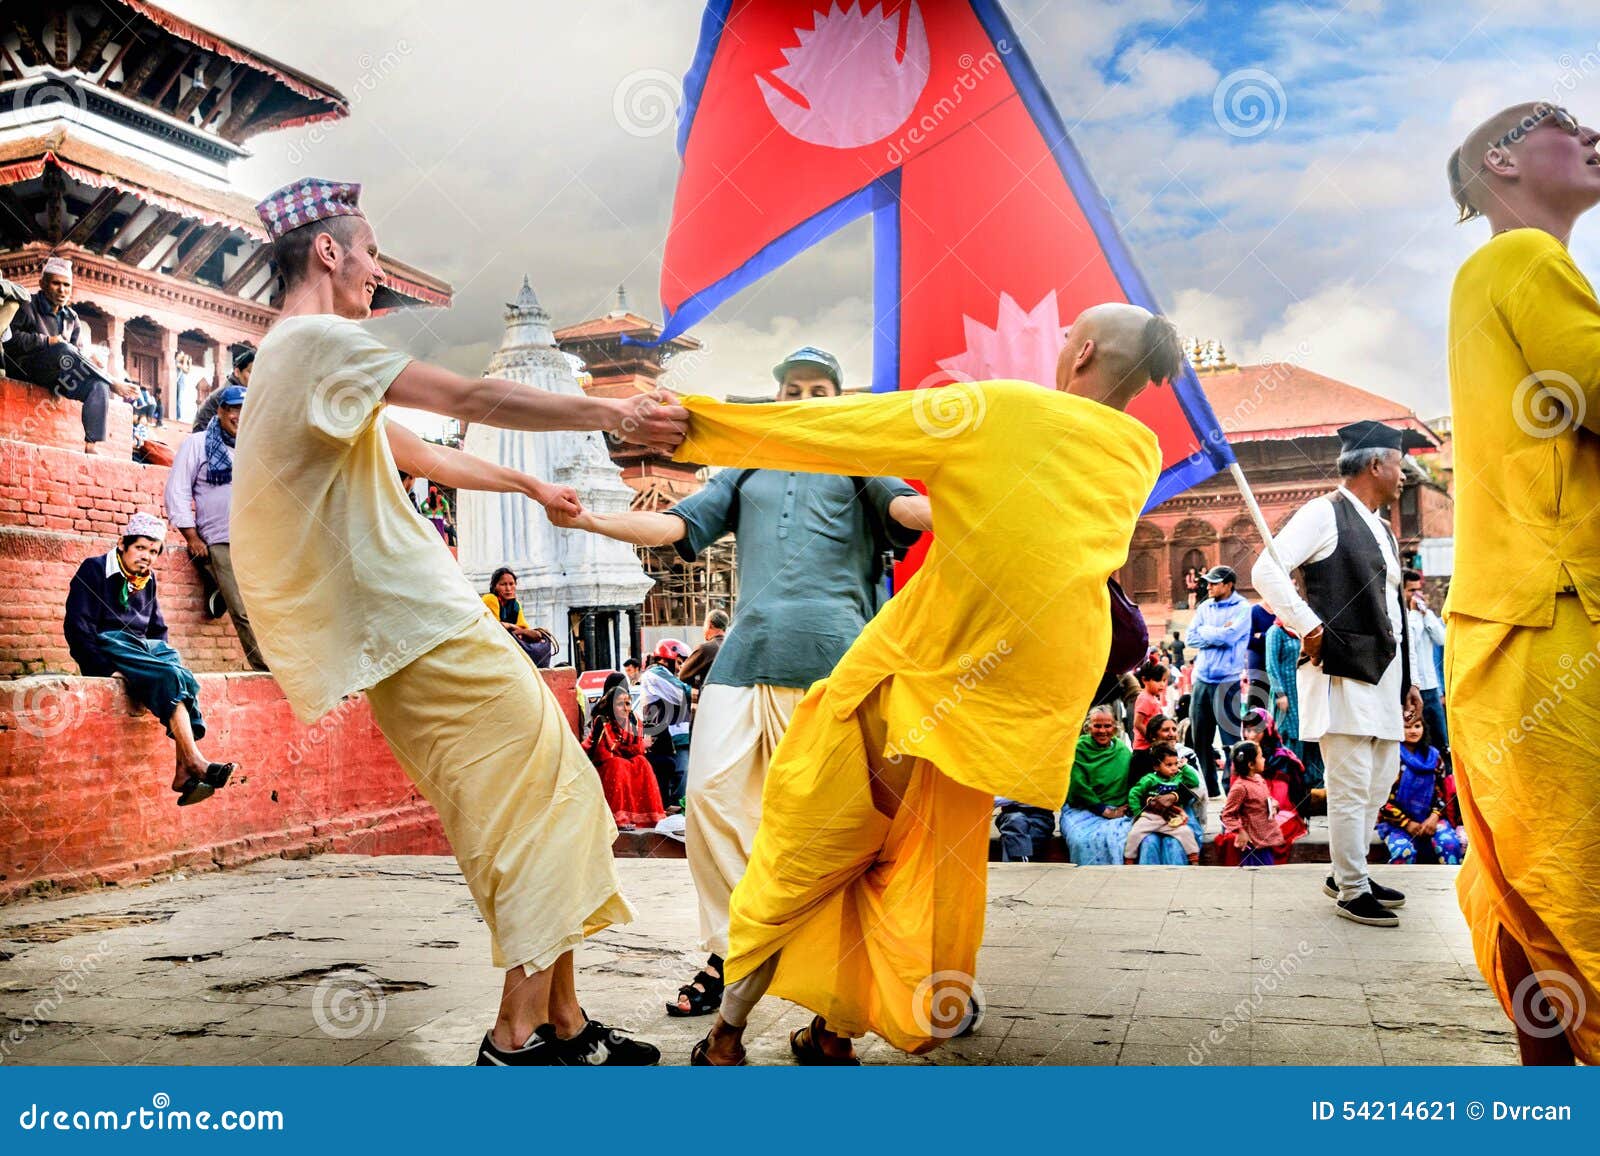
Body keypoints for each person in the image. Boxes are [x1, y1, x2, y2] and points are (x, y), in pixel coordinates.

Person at [620, 301, 1174, 1065]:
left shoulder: (1004, 410)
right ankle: (834, 1030)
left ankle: (727, 1034)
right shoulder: (1137, 453)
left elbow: (847, 429)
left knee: (804, 852)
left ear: (1079, 353)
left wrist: (698, 423)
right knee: (914, 874)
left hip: (905, 685)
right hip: (992, 718)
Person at [230, 177, 687, 1066]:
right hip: (420, 620)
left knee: (537, 798)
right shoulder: (320, 341)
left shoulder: (292, 357)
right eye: (367, 252)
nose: (375, 270)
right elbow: (476, 402)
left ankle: (564, 1022)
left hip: (407, 629)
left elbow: (422, 448)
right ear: (328, 251)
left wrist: (527, 483)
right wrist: (615, 412)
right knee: (549, 804)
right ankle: (516, 1033)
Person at [553, 345, 925, 1021]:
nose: (806, 401)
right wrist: (589, 519)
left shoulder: (859, 461)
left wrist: (983, 502)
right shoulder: (746, 463)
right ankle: (736, 953)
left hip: (836, 668)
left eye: (820, 390)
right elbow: (674, 525)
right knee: (713, 807)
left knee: (826, 827)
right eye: (794, 390)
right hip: (741, 661)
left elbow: (907, 514)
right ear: (776, 399)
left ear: (838, 401)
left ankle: (828, 977)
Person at [1445, 101, 1600, 1065]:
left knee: (1537, 874)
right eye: (1566, 124)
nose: (1591, 137)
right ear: (1502, 161)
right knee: (1576, 868)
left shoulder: (1493, 273)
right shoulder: (1523, 259)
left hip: (1513, 612)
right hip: (1560, 607)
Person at [1251, 421, 1425, 928]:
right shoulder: (1323, 513)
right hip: (1341, 670)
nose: (1402, 476)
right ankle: (1352, 889)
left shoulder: (1384, 529)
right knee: (1349, 783)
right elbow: (1267, 570)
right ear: (1375, 464)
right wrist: (1309, 627)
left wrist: (1409, 678)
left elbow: (1393, 612)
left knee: (1381, 777)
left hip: (1385, 675)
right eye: (1398, 465)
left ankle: (1349, 870)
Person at [63, 513, 235, 806]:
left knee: (180, 674)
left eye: (154, 551)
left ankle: (185, 769)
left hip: (143, 650)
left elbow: (158, 629)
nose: (147, 557)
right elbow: (77, 628)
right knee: (167, 671)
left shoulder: (148, 580)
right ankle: (193, 761)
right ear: (122, 544)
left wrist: (159, 666)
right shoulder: (93, 570)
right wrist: (104, 670)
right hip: (111, 644)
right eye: (141, 548)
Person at [163, 384, 267, 671]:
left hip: (255, 539)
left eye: (246, 411)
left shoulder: (254, 447)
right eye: (234, 409)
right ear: (221, 410)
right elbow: (178, 490)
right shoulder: (198, 443)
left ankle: (215, 590)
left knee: (267, 604)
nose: (239, 416)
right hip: (220, 539)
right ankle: (264, 666)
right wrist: (191, 535)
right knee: (241, 606)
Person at [2, 257, 135, 453]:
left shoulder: (72, 318)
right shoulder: (28, 305)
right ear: (43, 284)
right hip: (26, 367)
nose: (62, 289)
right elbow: (11, 341)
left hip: (55, 375)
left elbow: (76, 355)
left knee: (99, 384)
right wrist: (48, 341)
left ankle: (91, 443)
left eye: (67, 285)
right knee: (65, 350)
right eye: (56, 283)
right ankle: (113, 381)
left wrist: (90, 362)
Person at [1184, 565, 1250, 797]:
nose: (1208, 586)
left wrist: (1207, 632)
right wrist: (1217, 633)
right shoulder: (1204, 606)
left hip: (1227, 680)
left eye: (1214, 583)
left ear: (1228, 584)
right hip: (1202, 678)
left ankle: (1231, 787)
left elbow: (1231, 637)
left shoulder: (1243, 609)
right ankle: (1210, 789)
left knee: (1230, 739)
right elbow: (1190, 637)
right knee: (1199, 737)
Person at [1377, 716, 1465, 866]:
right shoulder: (1389, 758)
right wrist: (1407, 823)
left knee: (1450, 844)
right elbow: (1381, 799)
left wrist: (1434, 816)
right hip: (1395, 823)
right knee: (1403, 851)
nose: (1413, 731)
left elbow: (1442, 793)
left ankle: (1451, 888)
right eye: (1407, 727)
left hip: (1430, 819)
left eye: (1417, 726)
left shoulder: (1435, 758)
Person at [1057, 706, 1135, 865]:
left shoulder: (1122, 751)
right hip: (1082, 809)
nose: (1102, 731)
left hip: (1119, 810)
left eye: (1107, 726)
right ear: (1088, 727)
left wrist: (1125, 808)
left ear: (1115, 727)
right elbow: (1078, 786)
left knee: (1121, 840)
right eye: (1097, 725)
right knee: (1082, 840)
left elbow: (1133, 783)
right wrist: (1104, 811)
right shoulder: (1077, 749)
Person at [583, 681, 666, 830]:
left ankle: (649, 816)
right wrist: (625, 751)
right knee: (617, 765)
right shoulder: (603, 721)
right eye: (620, 704)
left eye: (628, 704)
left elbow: (639, 749)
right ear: (611, 706)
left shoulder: (633, 721)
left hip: (623, 759)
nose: (625, 708)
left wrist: (626, 750)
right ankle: (619, 818)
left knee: (642, 763)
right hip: (605, 764)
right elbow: (603, 753)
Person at [1123, 743, 1201, 865]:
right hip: (1151, 817)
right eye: (1169, 765)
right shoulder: (1149, 779)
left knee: (1186, 832)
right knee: (1134, 833)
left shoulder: (1179, 777)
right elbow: (1134, 793)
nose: (1174, 768)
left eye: (1175, 764)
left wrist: (1184, 767)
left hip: (1171, 818)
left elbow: (1194, 781)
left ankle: (1193, 858)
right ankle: (1129, 859)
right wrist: (1138, 812)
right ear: (1156, 767)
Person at [637, 644, 693, 810]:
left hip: (676, 738)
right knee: (680, 775)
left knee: (681, 775)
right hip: (663, 739)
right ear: (666, 659)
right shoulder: (655, 673)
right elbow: (682, 693)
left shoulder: (670, 676)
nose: (680, 667)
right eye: (678, 662)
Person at [1402, 569, 1448, 752]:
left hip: (1432, 689)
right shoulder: (1404, 619)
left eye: (1418, 590)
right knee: (1416, 741)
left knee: (1441, 739)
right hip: (1412, 690)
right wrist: (1414, 615)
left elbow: (1442, 639)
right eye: (1411, 591)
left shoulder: (1424, 615)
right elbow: (1411, 643)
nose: (1416, 595)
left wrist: (1426, 614)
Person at [1218, 743, 1284, 866]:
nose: (1264, 759)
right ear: (1251, 765)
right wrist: (1240, 831)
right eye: (1260, 757)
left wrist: (1274, 804)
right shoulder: (1240, 787)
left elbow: (1266, 798)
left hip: (1265, 837)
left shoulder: (1259, 779)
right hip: (1252, 843)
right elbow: (1227, 815)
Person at [482, 567, 557, 667]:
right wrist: (516, 630)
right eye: (503, 584)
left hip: (510, 648)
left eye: (511, 584)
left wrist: (511, 627)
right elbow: (496, 629)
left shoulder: (515, 605)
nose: (508, 589)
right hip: (492, 647)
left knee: (541, 633)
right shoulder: (490, 598)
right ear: (495, 587)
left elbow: (523, 629)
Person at [192, 348, 253, 432]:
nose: (255, 378)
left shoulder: (244, 391)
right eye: (251, 372)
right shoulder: (229, 393)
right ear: (237, 372)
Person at [676, 608, 728, 692]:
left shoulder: (705, 649)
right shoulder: (735, 648)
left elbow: (683, 676)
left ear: (710, 625)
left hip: (711, 700)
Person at [993, 796, 1056, 862]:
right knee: (1016, 821)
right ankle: (1018, 865)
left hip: (1041, 816)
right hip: (1011, 815)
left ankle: (1018, 864)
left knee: (1021, 833)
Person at [1131, 660, 1167, 749]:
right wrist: (1153, 740)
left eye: (1164, 680)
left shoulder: (1152, 697)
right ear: (1144, 680)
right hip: (1144, 748)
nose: (1162, 684)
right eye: (1157, 680)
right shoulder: (1145, 698)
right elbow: (1138, 723)